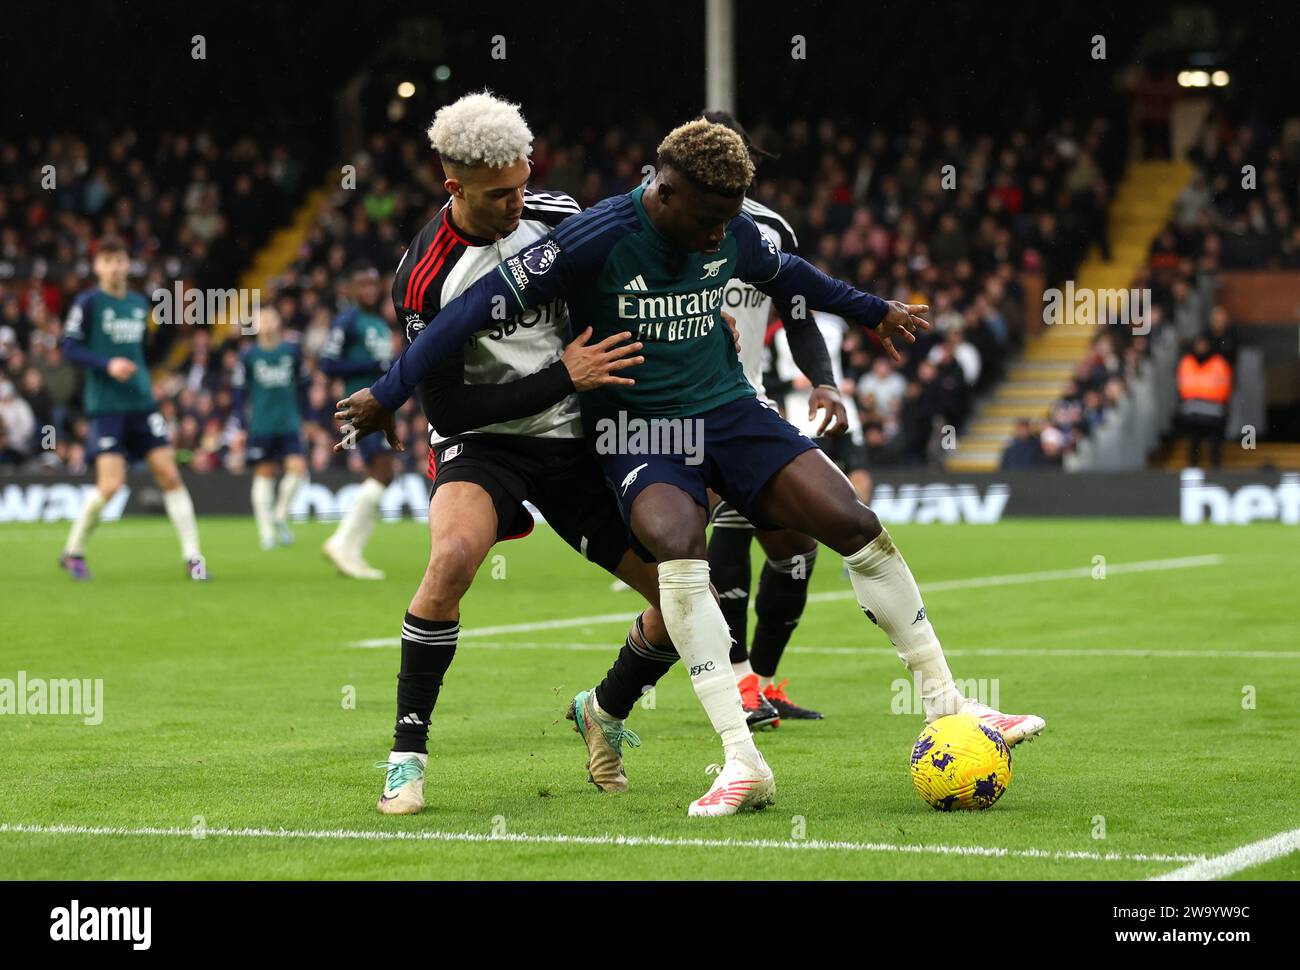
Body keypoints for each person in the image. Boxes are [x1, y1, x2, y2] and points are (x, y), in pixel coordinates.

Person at [340, 119, 1046, 816]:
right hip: (559, 431)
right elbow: (463, 333)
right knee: (505, 557)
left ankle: (945, 704)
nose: (718, 236)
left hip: (668, 417)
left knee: (835, 531)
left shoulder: (608, 218)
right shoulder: (528, 252)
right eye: (501, 194)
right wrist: (387, 394)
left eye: (523, 186)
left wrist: (873, 311)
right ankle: (732, 762)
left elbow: (789, 275)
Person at [340, 92, 746, 816]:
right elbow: (448, 408)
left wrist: (699, 318)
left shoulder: (558, 215)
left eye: (523, 184)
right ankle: (406, 758)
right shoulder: (425, 277)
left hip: (580, 435)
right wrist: (563, 375)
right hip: (485, 443)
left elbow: (631, 273)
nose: (516, 203)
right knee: (451, 560)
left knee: (686, 598)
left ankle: (603, 709)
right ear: (453, 185)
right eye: (499, 195)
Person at [59, 237, 207, 581]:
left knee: (170, 475)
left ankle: (194, 560)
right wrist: (107, 364)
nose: (114, 266)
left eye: (120, 259)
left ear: (127, 264)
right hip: (107, 406)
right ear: (97, 267)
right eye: (107, 260)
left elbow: (142, 351)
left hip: (142, 403)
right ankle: (73, 551)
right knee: (111, 485)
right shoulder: (88, 303)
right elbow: (69, 348)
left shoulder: (141, 304)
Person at [319, 264, 399, 578]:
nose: (368, 289)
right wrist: (374, 363)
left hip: (377, 408)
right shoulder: (348, 321)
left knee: (380, 474)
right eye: (361, 284)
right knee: (382, 472)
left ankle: (351, 553)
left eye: (372, 283)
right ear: (351, 289)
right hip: (356, 407)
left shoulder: (378, 322)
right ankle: (341, 544)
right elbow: (328, 364)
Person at [232, 306, 307, 549]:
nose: (266, 322)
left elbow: (302, 386)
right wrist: (242, 426)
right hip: (261, 425)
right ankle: (265, 532)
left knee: (297, 469)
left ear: (278, 322)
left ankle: (279, 514)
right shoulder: (248, 355)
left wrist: (308, 418)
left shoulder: (291, 352)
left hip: (288, 421)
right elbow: (239, 393)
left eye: (270, 318)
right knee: (264, 474)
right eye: (261, 318)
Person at [1176, 335, 1232, 468]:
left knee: (1215, 445)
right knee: (1193, 444)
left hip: (1213, 411)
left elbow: (1225, 387)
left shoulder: (1219, 363)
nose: (1201, 348)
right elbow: (1181, 385)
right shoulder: (1187, 362)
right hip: (1192, 412)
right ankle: (1193, 469)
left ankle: (1216, 469)